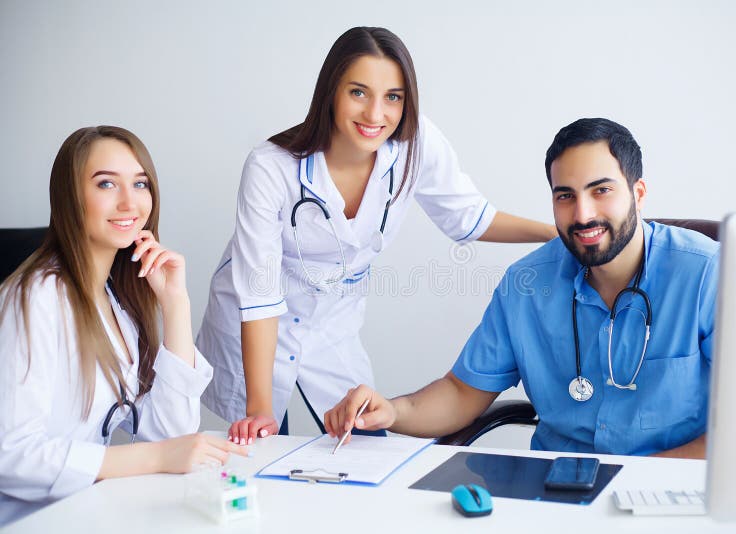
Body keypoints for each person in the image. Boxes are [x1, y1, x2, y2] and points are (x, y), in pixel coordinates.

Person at [197, 26, 557, 444]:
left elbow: (469, 217)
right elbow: (260, 294)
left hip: (332, 326)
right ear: (331, 92)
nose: (375, 114)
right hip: (256, 330)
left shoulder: (416, 144)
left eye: (393, 97)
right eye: (358, 92)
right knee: (264, 446)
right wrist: (259, 408)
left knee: (363, 444)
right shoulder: (270, 166)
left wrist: (555, 234)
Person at [324, 118, 720, 459]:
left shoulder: (707, 274)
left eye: (601, 190)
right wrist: (392, 412)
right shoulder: (525, 285)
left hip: (666, 491)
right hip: (557, 489)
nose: (583, 214)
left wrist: (637, 480)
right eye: (565, 196)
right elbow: (462, 393)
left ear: (638, 194)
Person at [0, 126, 247, 526]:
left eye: (140, 183)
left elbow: (171, 433)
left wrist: (176, 305)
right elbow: (11, 454)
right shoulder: (36, 297)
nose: (130, 202)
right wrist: (153, 457)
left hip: (84, 511)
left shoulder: (115, 301)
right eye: (106, 184)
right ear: (69, 196)